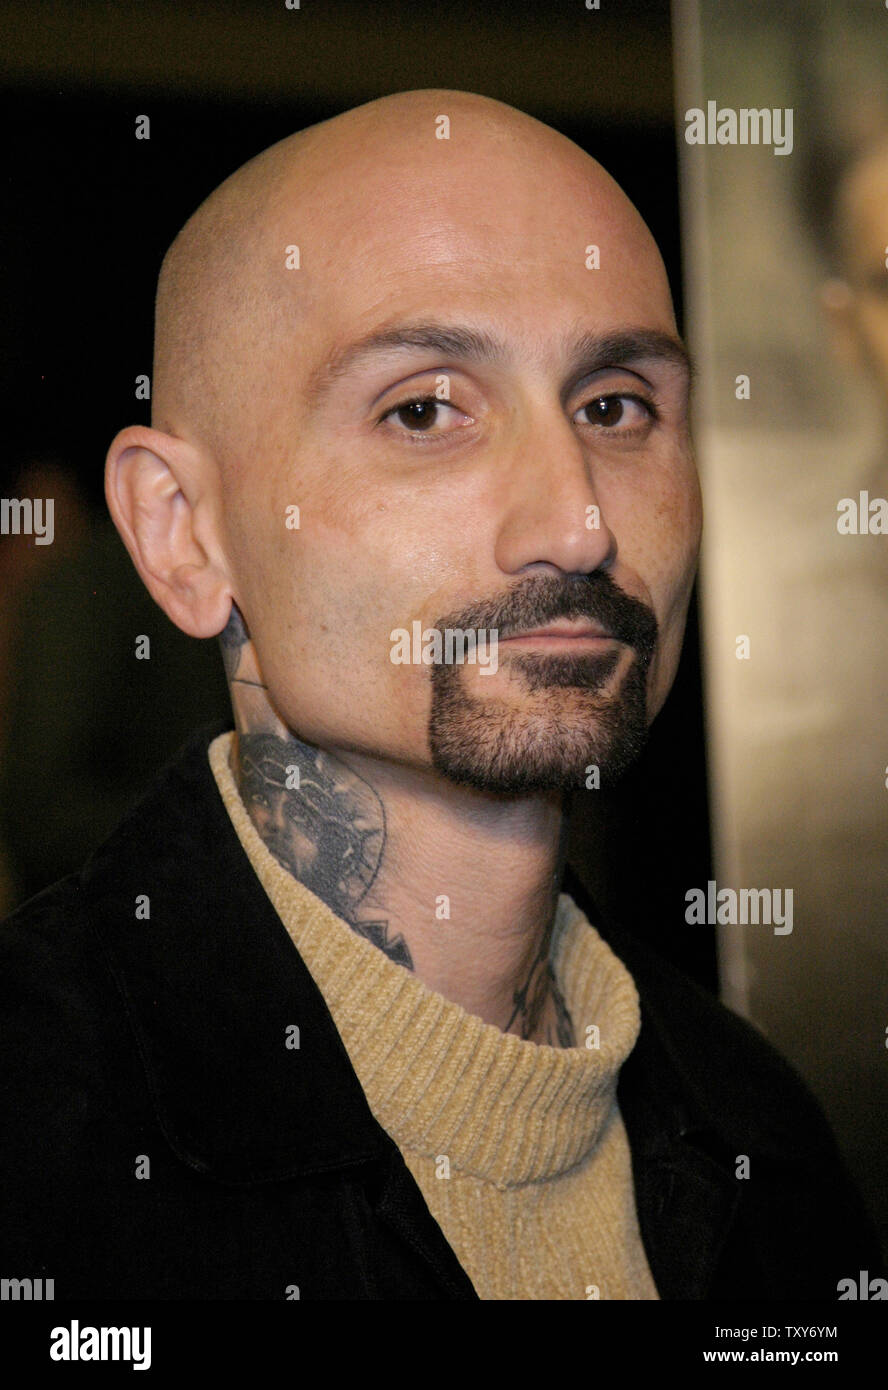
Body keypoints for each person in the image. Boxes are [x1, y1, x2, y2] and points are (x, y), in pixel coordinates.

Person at [0, 88, 880, 1301]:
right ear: (183, 533)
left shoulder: (760, 1138)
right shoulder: (41, 1141)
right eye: (424, 410)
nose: (577, 521)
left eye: (615, 406)